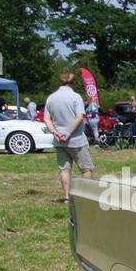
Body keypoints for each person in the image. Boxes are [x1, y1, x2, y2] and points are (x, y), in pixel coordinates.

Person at [42, 72, 94, 202]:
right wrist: (68, 133)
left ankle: (66, 197)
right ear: (73, 83)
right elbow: (79, 117)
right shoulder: (76, 97)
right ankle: (85, 197)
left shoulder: (51, 98)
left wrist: (55, 132)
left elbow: (46, 119)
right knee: (86, 168)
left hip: (59, 140)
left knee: (64, 170)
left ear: (59, 82)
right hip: (76, 140)